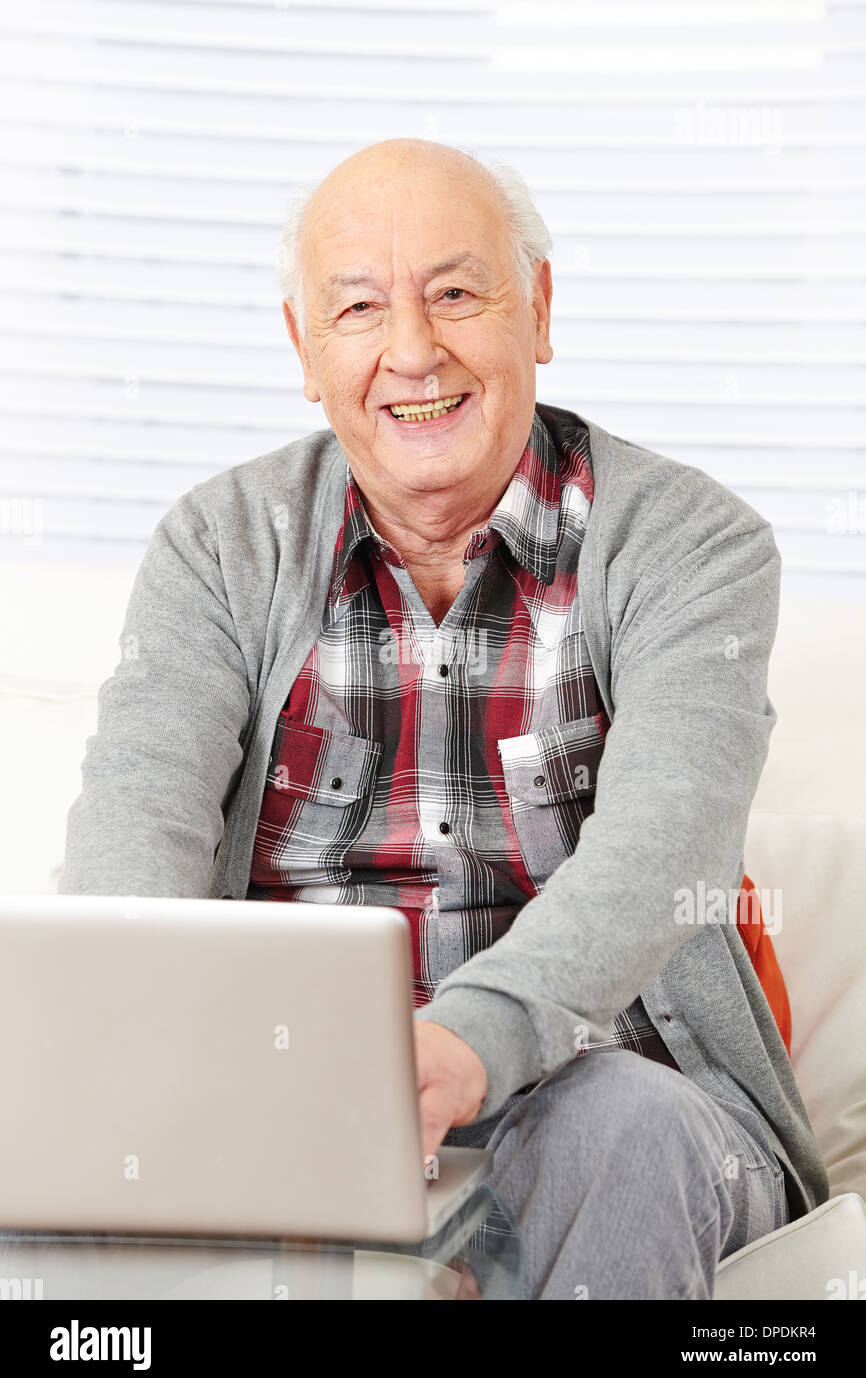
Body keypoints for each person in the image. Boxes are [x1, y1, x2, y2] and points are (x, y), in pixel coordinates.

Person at [61, 138, 828, 1299]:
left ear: (539, 308)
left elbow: (668, 843)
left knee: (619, 1129)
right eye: (359, 308)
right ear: (303, 350)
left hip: (606, 1094)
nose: (412, 351)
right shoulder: (221, 543)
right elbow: (138, 823)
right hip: (292, 1109)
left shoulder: (691, 543)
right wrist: (179, 1073)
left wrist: (465, 1043)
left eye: (456, 294)